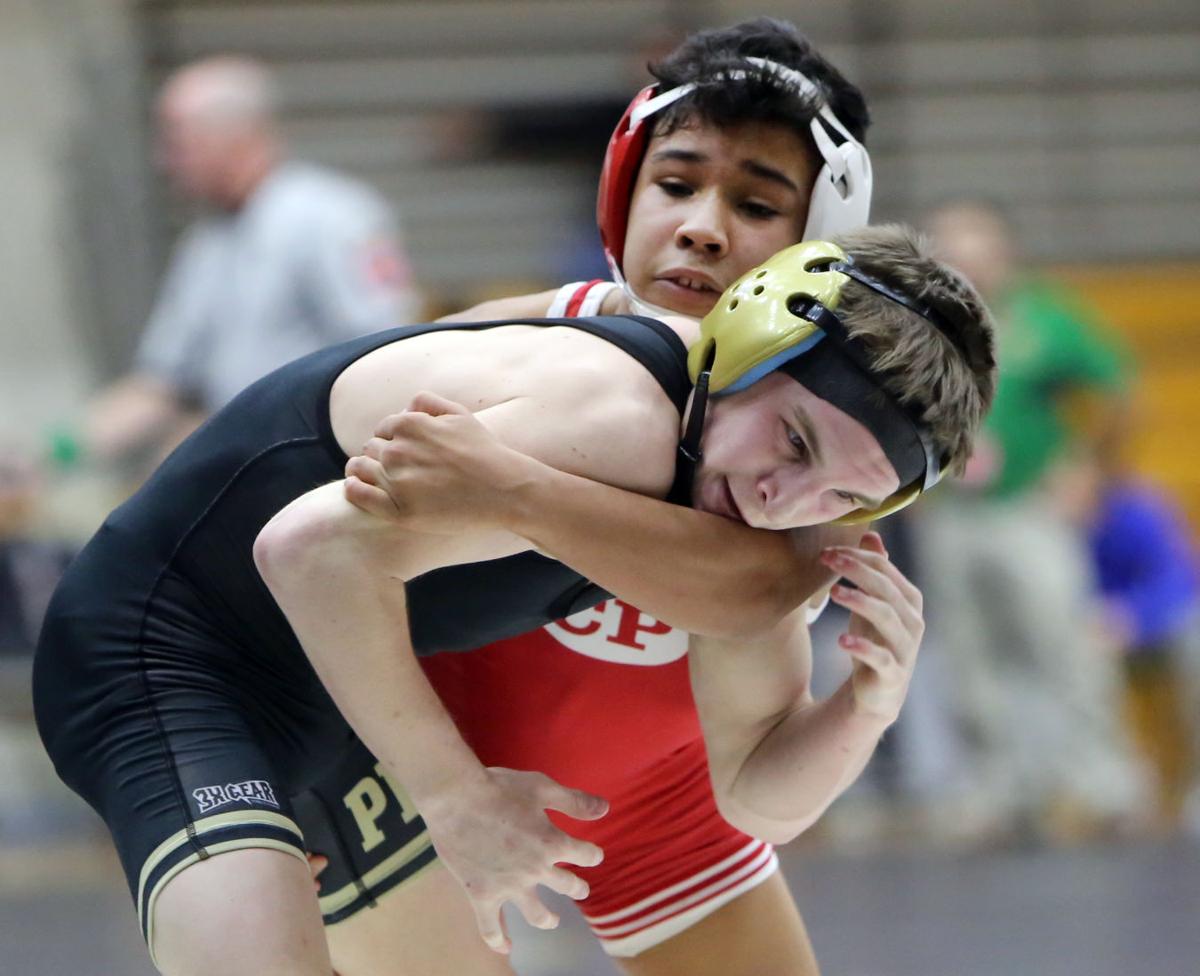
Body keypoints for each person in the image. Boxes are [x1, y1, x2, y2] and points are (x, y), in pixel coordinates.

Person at [34, 208, 995, 976]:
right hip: (168, 656)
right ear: (743, 343)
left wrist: (868, 706)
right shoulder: (619, 418)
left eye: (845, 495)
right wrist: (456, 798)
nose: (787, 497)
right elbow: (305, 551)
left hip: (332, 694)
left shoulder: (747, 535)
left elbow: (755, 797)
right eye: (793, 442)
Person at [304, 20, 887, 974]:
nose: (702, 225)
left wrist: (869, 703)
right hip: (412, 781)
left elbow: (770, 764)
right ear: (623, 188)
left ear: (819, 240)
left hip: (664, 796)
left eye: (755, 202)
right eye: (676, 185)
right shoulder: (520, 347)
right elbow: (300, 537)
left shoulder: (826, 429)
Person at [917, 199, 1144, 843]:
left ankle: (1105, 785)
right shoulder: (922, 324)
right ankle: (997, 792)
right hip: (950, 512)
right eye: (951, 245)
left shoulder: (1044, 317)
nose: (963, 257)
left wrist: (1096, 472)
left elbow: (1117, 386)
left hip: (1028, 509)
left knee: (1062, 642)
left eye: (976, 243)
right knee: (970, 658)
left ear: (1004, 251)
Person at [77, 55, 420, 469]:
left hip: (325, 472)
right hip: (242, 473)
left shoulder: (333, 217)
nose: (164, 162)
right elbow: (160, 385)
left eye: (178, 141)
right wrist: (54, 452)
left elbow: (389, 351)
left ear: (235, 136)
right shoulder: (205, 245)